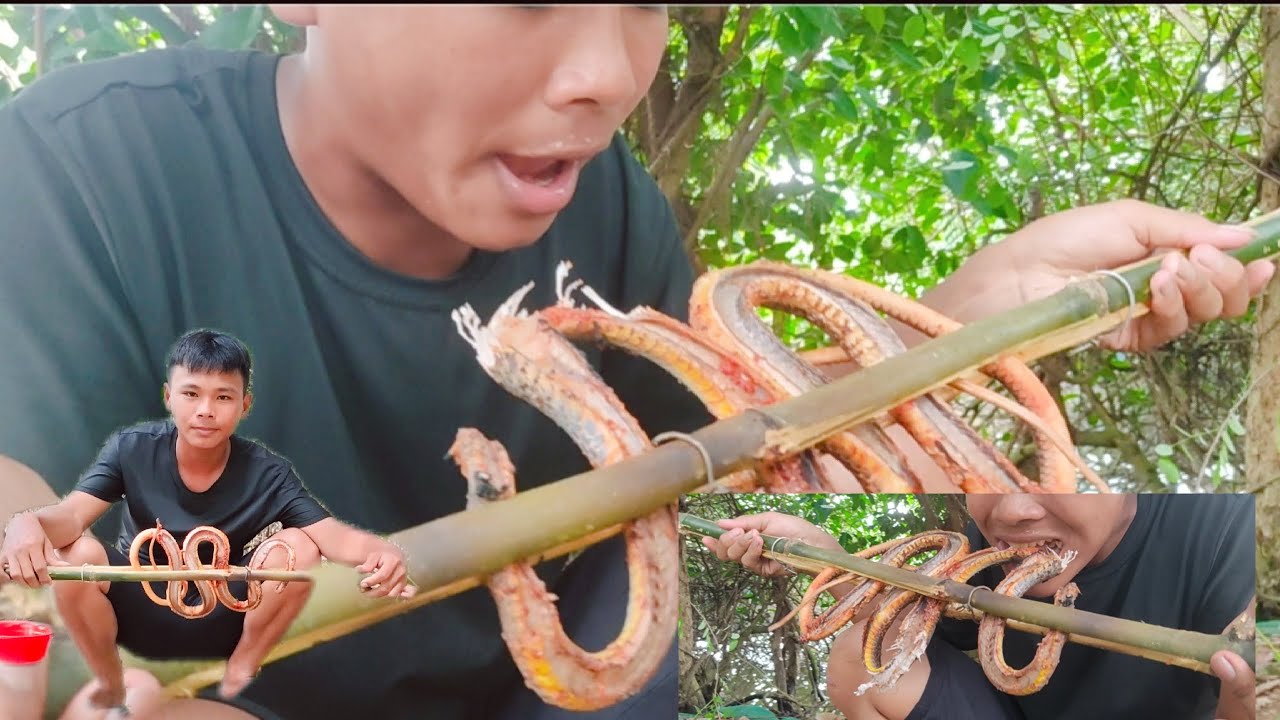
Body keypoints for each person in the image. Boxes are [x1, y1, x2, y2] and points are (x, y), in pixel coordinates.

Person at [0, 5, 1271, 719]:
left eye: (650, 0)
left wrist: (970, 312)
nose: (607, 74)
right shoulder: (78, 182)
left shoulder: (606, 212)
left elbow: (738, 447)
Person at [0, 329, 415, 715]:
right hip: (139, 605)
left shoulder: (267, 472)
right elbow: (72, 516)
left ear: (243, 405)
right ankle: (107, 677)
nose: (205, 411)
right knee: (82, 555)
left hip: (226, 610)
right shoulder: (133, 449)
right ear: (169, 396)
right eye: (192, 393)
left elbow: (329, 535)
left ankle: (245, 658)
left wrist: (380, 551)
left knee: (300, 546)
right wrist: (27, 525)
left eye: (222, 397)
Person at [702, 494, 1256, 720]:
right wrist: (827, 558)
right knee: (862, 658)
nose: (1013, 510)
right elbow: (900, 630)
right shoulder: (980, 544)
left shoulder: (1223, 528)